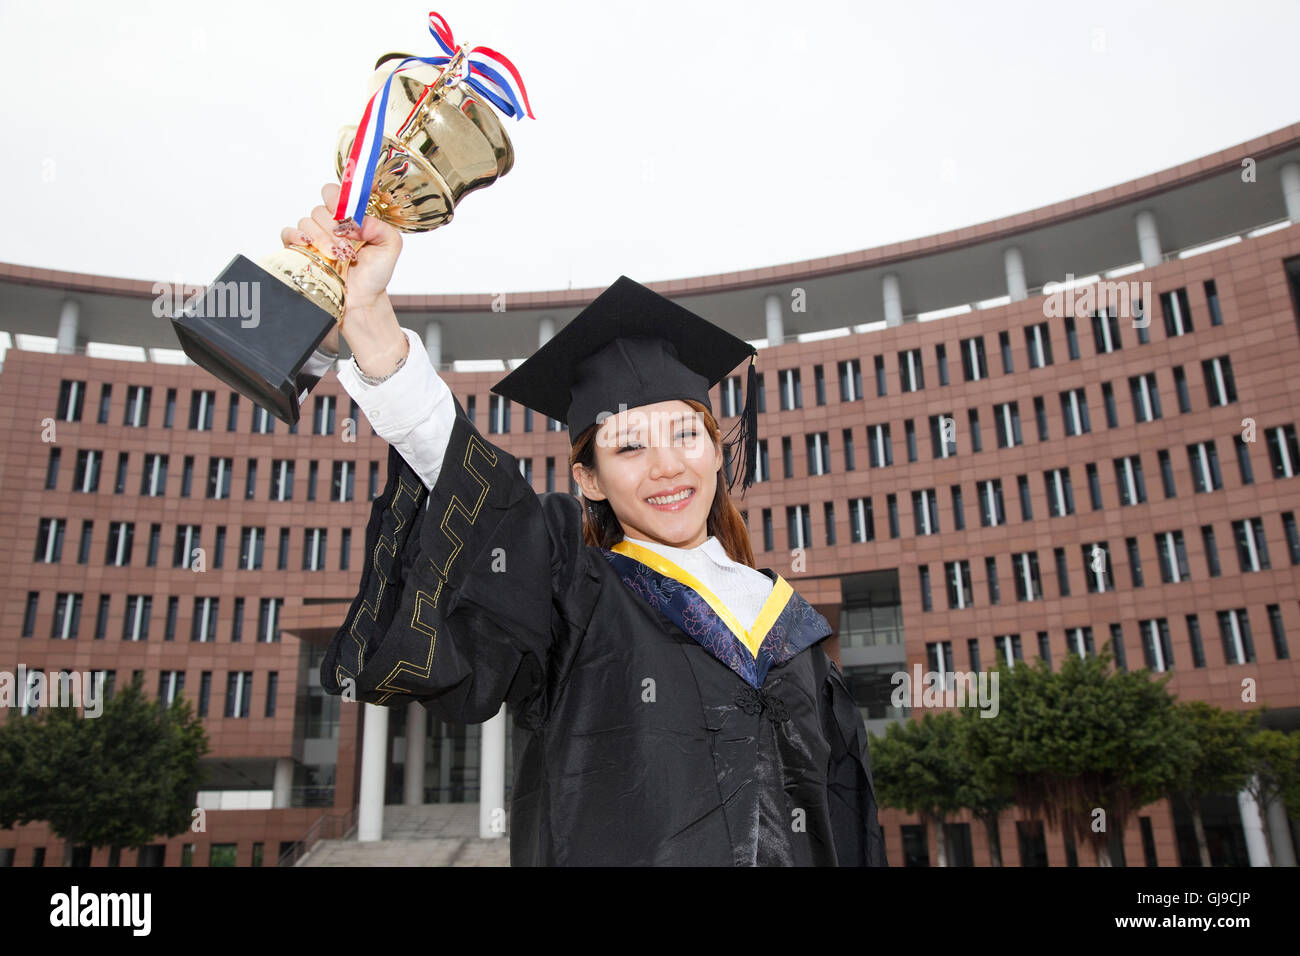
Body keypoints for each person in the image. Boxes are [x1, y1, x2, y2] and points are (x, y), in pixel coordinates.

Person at [289, 184, 888, 867]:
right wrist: (369, 321)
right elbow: (484, 497)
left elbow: (847, 819)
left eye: (686, 434)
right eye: (629, 443)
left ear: (717, 449)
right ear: (589, 479)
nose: (667, 466)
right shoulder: (576, 597)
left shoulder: (793, 628)